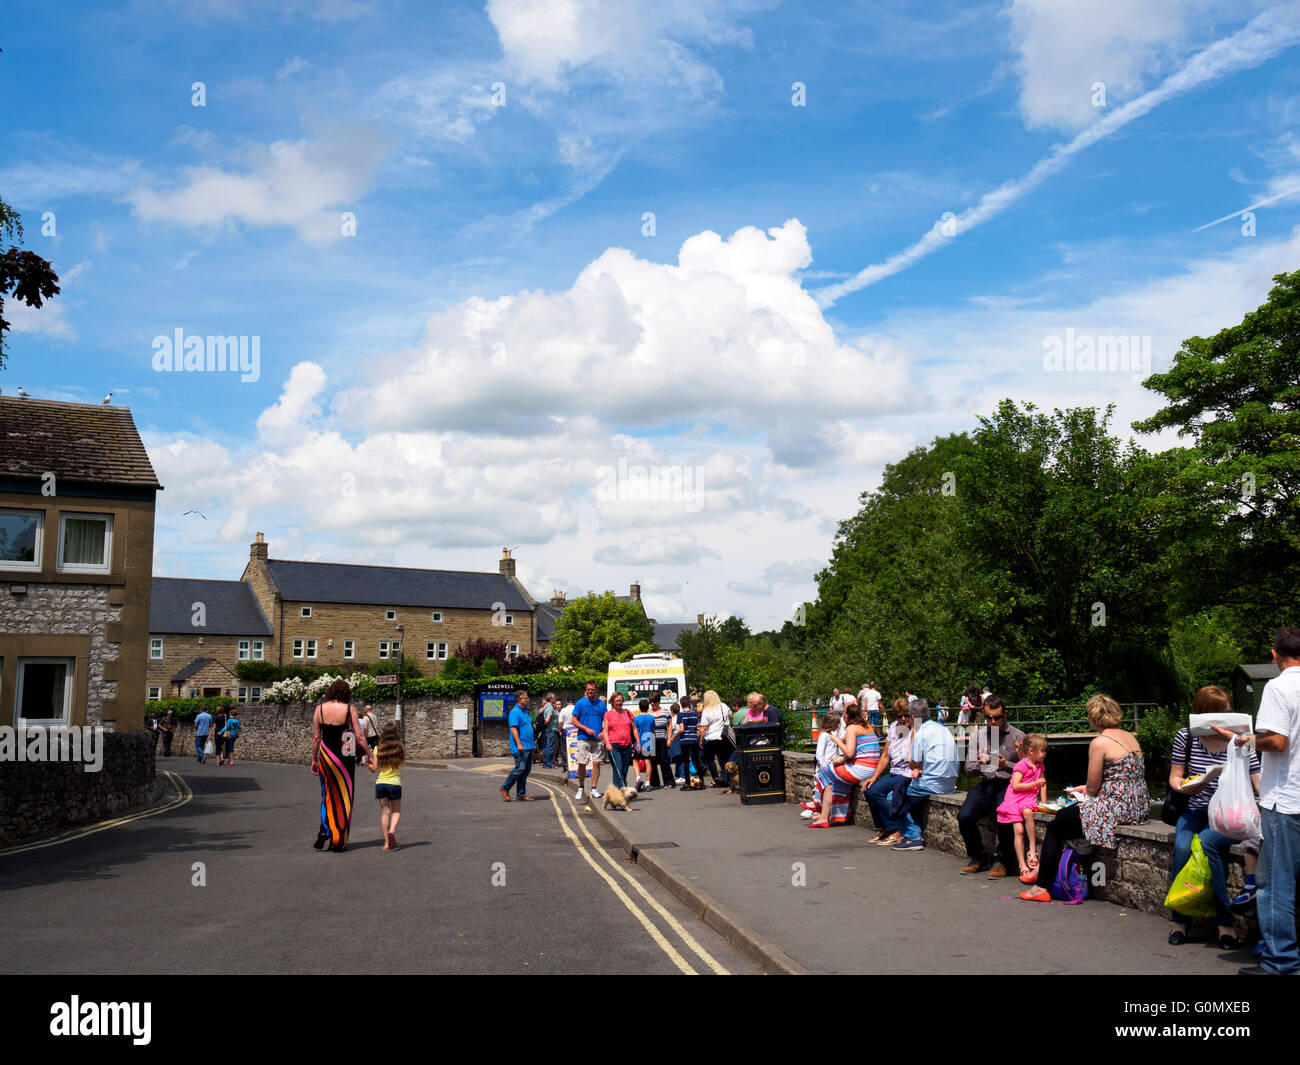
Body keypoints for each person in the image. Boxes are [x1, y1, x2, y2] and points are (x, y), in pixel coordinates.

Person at [1219, 626, 1300, 975]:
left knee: (1275, 886)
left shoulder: (1279, 686)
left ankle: (1280, 963)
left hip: (1286, 800)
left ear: (1274, 655)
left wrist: (1244, 741)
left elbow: (1278, 742)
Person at [1021, 694, 1149, 901]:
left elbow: (1093, 787)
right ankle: (1049, 871)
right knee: (1068, 818)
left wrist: (1086, 791)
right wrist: (1087, 789)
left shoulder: (1100, 742)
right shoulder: (1130, 737)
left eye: (1087, 714)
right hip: (1136, 805)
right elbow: (1120, 777)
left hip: (1114, 806)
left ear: (1094, 716)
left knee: (1058, 823)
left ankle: (1041, 885)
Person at [1167, 686, 1260, 950]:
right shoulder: (1186, 737)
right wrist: (1185, 786)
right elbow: (1176, 776)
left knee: (1208, 844)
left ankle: (1224, 922)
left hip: (1228, 814)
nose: (1228, 718)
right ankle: (1180, 920)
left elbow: (1257, 779)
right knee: (1182, 848)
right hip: (1195, 808)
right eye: (1223, 713)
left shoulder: (1241, 739)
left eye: (1229, 712)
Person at [957, 694, 1025, 878]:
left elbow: (1030, 770)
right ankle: (979, 856)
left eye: (997, 717)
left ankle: (1002, 860)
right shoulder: (978, 735)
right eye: (989, 717)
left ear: (1005, 714)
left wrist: (1006, 765)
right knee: (964, 816)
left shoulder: (1018, 737)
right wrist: (981, 763)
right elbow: (968, 770)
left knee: (1005, 812)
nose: (993, 721)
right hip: (986, 783)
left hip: (1008, 783)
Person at [311, 679, 372, 852]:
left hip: (325, 754)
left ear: (330, 692)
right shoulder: (349, 709)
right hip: (345, 754)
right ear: (346, 693)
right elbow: (359, 736)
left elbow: (316, 738)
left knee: (327, 793)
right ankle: (337, 839)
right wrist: (370, 755)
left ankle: (325, 829)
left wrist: (314, 759)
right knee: (344, 795)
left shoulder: (319, 709)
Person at [891, 700, 958, 851]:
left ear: (913, 717)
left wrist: (913, 734)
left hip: (932, 783)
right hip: (950, 782)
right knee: (909, 793)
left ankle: (913, 837)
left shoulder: (921, 733)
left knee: (893, 797)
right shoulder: (942, 729)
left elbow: (912, 762)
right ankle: (915, 831)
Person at [808, 703, 879, 827]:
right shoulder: (867, 726)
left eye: (843, 714)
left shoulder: (852, 727)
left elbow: (850, 753)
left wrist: (836, 741)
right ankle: (833, 816)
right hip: (872, 769)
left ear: (846, 715)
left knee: (825, 771)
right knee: (835, 781)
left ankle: (818, 805)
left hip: (861, 770)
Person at [997, 734, 1049, 883]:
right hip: (1014, 799)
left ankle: (1032, 851)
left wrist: (1044, 804)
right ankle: (1022, 864)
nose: (1044, 754)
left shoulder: (1040, 765)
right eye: (1042, 751)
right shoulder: (1021, 766)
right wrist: (1035, 784)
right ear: (1031, 751)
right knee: (1018, 831)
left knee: (1028, 813)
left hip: (1028, 799)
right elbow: (1016, 786)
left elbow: (1043, 784)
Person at [861, 699, 914, 844]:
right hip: (895, 771)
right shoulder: (894, 727)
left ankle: (895, 830)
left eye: (906, 715)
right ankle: (883, 828)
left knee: (876, 792)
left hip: (908, 772)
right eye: (899, 716)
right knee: (868, 788)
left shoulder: (916, 728)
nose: (903, 719)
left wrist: (912, 727)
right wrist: (874, 776)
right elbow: (885, 755)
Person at [369, 722, 405, 849]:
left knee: (385, 813)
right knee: (396, 811)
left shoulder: (378, 748)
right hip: (395, 783)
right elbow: (400, 762)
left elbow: (374, 768)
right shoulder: (400, 746)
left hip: (381, 783)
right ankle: (392, 831)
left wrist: (370, 766)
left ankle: (386, 843)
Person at [569, 682, 608, 802]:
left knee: (596, 764)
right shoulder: (581, 703)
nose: (590, 691)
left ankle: (594, 789)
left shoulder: (601, 704)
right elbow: (573, 720)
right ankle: (581, 788)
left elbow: (606, 719)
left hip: (597, 739)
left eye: (592, 689)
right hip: (583, 738)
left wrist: (603, 731)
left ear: (596, 690)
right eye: (588, 689)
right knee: (582, 763)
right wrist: (586, 728)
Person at [803, 711, 842, 819]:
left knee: (826, 789)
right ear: (830, 723)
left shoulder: (832, 735)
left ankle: (819, 811)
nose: (837, 726)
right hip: (824, 767)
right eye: (836, 724)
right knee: (819, 787)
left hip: (831, 766)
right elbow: (819, 753)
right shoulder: (824, 736)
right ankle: (815, 809)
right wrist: (824, 765)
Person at [500, 690, 537, 802]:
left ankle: (521, 794)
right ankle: (505, 788)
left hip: (528, 746)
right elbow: (513, 729)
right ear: (519, 700)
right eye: (526, 698)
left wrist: (532, 743)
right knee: (520, 768)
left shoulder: (525, 711)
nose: (528, 699)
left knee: (525, 771)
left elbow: (527, 728)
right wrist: (519, 744)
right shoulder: (515, 712)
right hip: (520, 746)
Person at [602, 692, 637, 790]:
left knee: (624, 770)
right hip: (614, 746)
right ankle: (622, 790)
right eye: (617, 701)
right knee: (618, 769)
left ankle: (615, 791)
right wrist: (608, 743)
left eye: (621, 701)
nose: (619, 703)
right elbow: (605, 731)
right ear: (613, 702)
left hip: (627, 746)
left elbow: (634, 728)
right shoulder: (608, 714)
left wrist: (638, 742)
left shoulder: (628, 713)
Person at [697, 690, 730, 787]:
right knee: (723, 759)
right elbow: (731, 716)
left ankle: (716, 778)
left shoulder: (707, 710)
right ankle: (725, 778)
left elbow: (704, 728)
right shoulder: (723, 706)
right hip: (724, 736)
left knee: (710, 759)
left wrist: (701, 740)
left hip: (712, 737)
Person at [670, 697, 705, 789]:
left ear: (681, 704)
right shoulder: (695, 714)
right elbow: (697, 727)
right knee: (696, 760)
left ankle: (687, 783)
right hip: (694, 739)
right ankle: (702, 782)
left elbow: (681, 729)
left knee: (685, 761)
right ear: (689, 703)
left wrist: (674, 736)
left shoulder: (681, 715)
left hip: (685, 740)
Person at [633, 699, 657, 791]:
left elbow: (634, 730)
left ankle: (638, 778)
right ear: (648, 707)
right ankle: (648, 783)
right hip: (649, 742)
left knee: (635, 761)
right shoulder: (651, 718)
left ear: (639, 708)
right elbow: (653, 729)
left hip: (639, 743)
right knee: (648, 762)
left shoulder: (636, 718)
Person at [537, 693, 560, 768]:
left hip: (546, 730)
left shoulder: (545, 706)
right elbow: (547, 720)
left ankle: (545, 763)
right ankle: (549, 764)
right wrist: (545, 725)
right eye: (554, 698)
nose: (555, 699)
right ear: (551, 699)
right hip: (550, 729)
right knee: (550, 746)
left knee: (545, 746)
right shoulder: (550, 707)